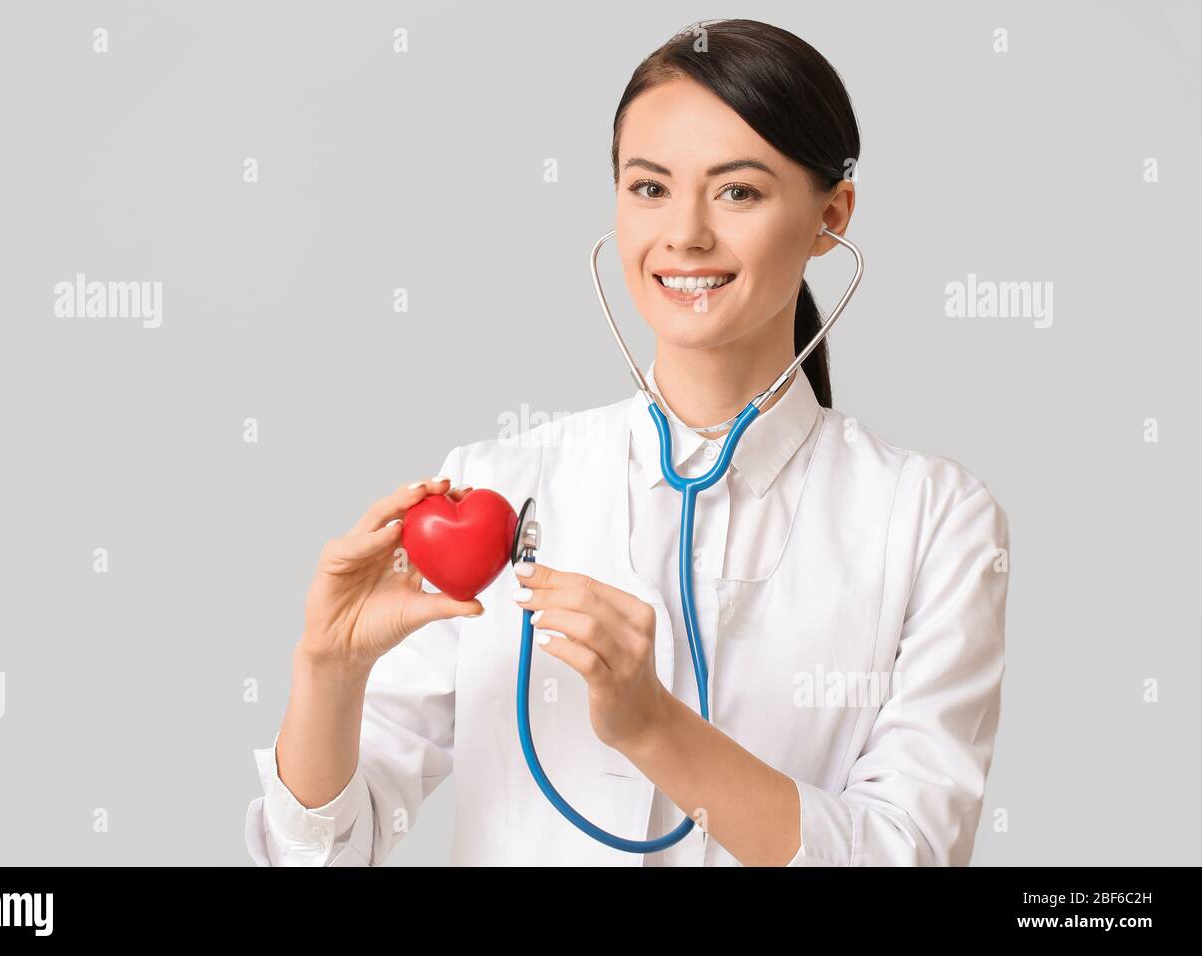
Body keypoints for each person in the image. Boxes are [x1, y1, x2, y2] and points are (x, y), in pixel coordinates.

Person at [244, 18, 1010, 866]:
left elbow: (909, 854)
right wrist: (328, 670)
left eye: (738, 192)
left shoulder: (933, 520)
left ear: (832, 215)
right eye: (650, 188)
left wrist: (653, 728)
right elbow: (319, 854)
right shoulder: (497, 484)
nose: (684, 233)